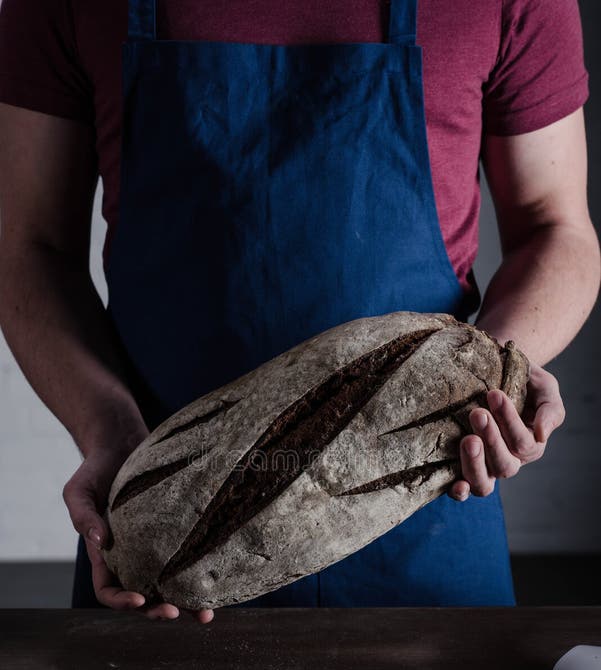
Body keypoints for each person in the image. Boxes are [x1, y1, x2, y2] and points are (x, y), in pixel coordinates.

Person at [0, 0, 599, 624]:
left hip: (430, 516)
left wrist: (491, 374)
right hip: (168, 526)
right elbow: (32, 250)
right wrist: (107, 433)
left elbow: (555, 228)